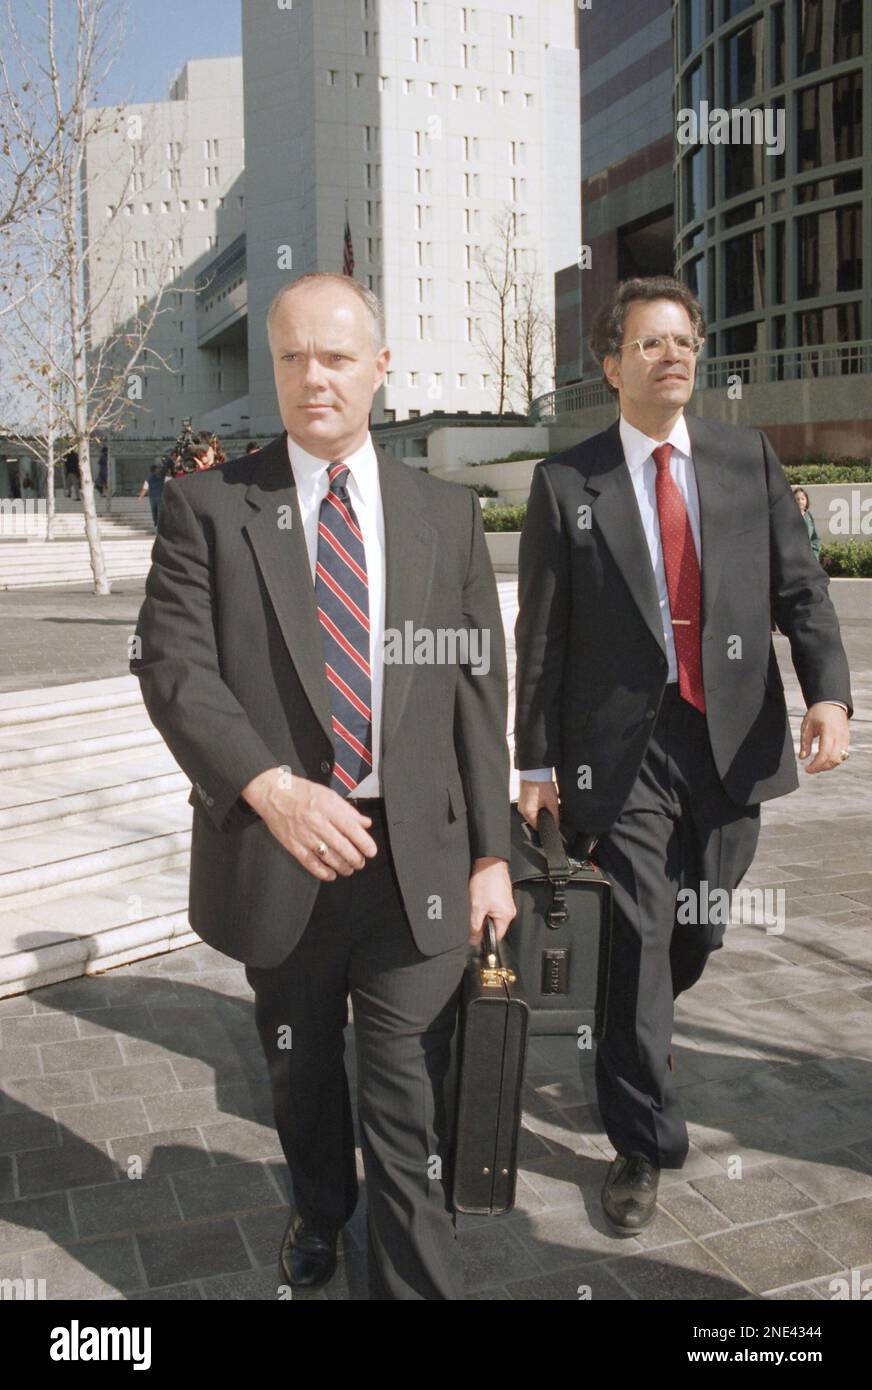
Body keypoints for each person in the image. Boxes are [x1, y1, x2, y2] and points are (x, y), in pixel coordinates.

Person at [130, 271, 514, 1300]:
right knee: (301, 1076)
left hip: (413, 864)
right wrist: (271, 788)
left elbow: (478, 695)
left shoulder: (445, 514)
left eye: (337, 356)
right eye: (293, 355)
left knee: (405, 1109)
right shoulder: (211, 508)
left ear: (379, 370)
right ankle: (317, 1204)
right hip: (280, 852)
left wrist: (491, 853)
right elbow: (174, 668)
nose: (314, 377)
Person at [514, 275, 853, 1236]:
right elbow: (541, 638)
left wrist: (828, 690)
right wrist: (534, 764)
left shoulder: (748, 462)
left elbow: (804, 592)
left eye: (685, 342)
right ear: (611, 365)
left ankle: (645, 1023)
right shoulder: (567, 483)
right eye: (650, 342)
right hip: (619, 754)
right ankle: (640, 1142)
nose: (673, 356)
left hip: (729, 738)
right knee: (636, 934)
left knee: (691, 932)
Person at [792, 485, 821, 560]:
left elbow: (814, 537)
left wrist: (815, 553)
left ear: (806, 500)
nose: (800, 501)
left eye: (802, 499)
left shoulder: (809, 516)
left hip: (810, 557)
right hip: (795, 557)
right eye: (797, 499)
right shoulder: (789, 517)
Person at [138, 464, 165, 531]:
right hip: (158, 497)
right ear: (155, 470)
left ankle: (157, 524)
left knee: (155, 511)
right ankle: (158, 524)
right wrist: (141, 497)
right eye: (157, 470)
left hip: (154, 497)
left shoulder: (149, 479)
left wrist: (141, 497)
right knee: (157, 511)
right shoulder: (161, 477)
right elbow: (145, 488)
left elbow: (145, 488)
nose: (158, 471)